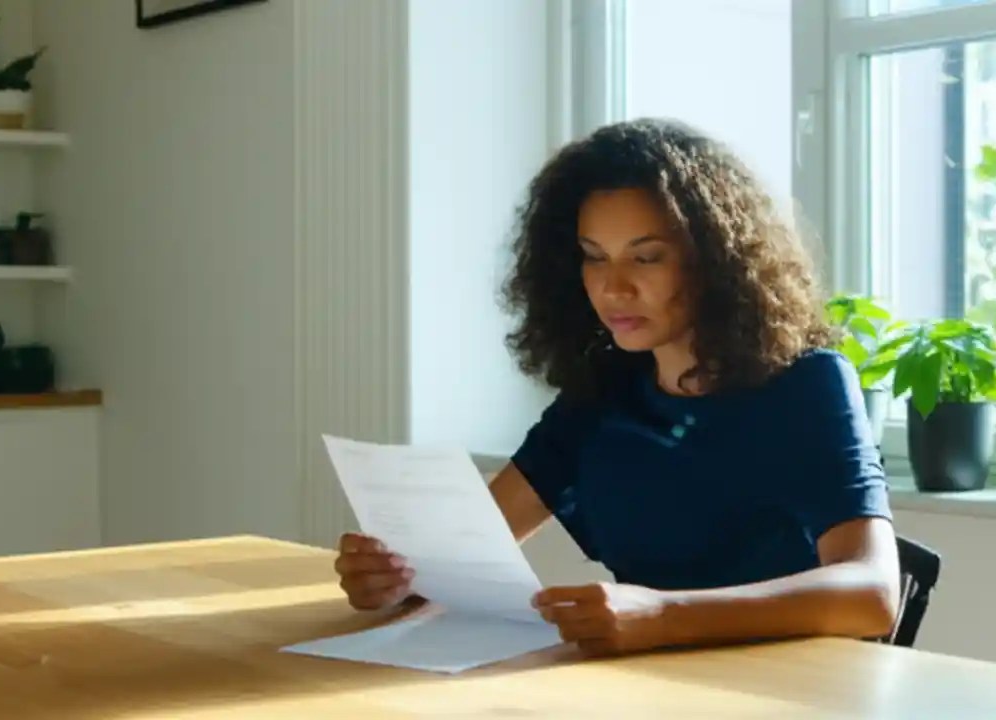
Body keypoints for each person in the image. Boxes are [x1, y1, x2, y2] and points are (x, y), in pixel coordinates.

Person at [335, 118, 900, 658]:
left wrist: (662, 616)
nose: (613, 287)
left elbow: (873, 595)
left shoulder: (806, 384)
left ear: (715, 262)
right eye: (593, 258)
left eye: (646, 257)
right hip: (645, 687)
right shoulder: (604, 389)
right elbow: (462, 556)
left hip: (781, 693)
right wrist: (400, 578)